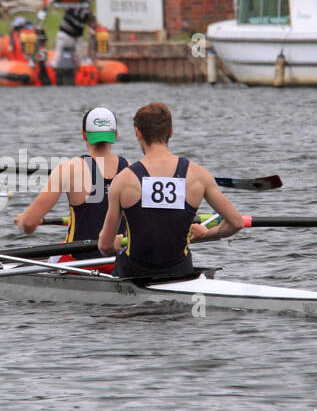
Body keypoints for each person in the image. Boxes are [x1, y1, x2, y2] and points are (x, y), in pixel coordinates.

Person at [99, 102, 244, 280]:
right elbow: (236, 223)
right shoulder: (199, 175)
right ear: (171, 132)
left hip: (133, 274)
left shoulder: (123, 180)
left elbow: (105, 246)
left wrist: (114, 246)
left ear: (138, 133)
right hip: (181, 272)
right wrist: (206, 234)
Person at [14, 107, 129, 260]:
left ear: (84, 135)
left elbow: (29, 224)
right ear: (115, 134)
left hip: (77, 264)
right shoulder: (131, 170)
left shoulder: (68, 168)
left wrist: (23, 222)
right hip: (118, 263)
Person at [53, 0, 96, 81]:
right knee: (60, 53)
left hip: (75, 36)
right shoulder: (77, 5)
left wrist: (94, 27)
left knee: (76, 55)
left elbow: (92, 22)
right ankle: (55, 71)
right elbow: (92, 22)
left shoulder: (86, 9)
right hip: (67, 34)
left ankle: (76, 73)